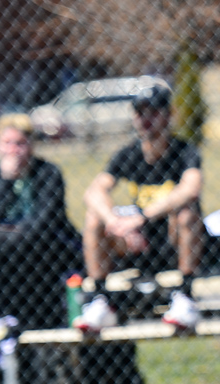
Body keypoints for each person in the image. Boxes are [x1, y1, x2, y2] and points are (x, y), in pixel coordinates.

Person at [77, 82, 205, 332]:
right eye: (140, 112)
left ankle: (185, 297)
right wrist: (114, 222)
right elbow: (93, 191)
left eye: (153, 112)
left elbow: (191, 188)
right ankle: (101, 300)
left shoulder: (184, 151)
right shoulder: (128, 154)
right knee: (94, 217)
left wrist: (142, 218)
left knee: (188, 213)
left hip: (172, 240)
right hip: (137, 243)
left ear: (168, 116)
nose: (145, 119)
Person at [0, 112, 82, 330]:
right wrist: (7, 181)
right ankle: (2, 311)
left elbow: (47, 220)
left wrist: (16, 234)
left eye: (20, 143)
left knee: (14, 243)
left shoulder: (48, 173)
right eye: (7, 143)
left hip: (45, 245)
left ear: (31, 145)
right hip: (9, 250)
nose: (13, 150)